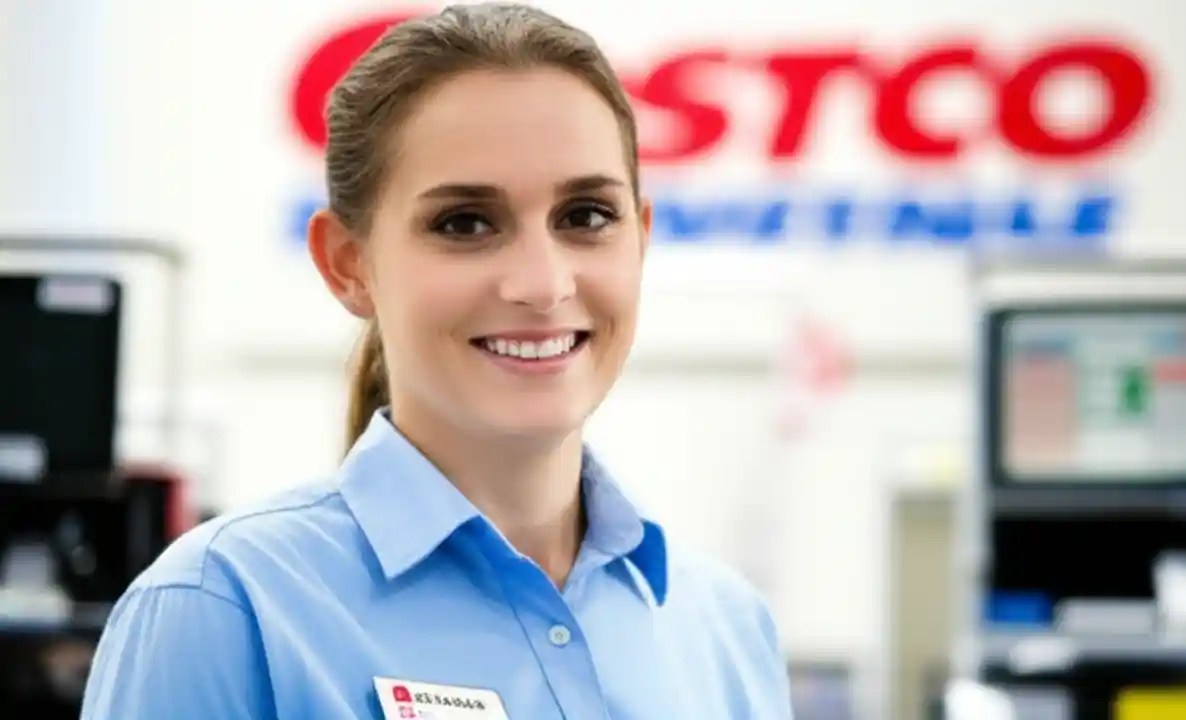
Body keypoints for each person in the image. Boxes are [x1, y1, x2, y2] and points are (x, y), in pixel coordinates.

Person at [81, 4, 793, 718]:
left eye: (585, 217)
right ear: (348, 264)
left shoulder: (725, 631)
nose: (543, 285)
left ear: (639, 236)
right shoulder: (228, 611)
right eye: (465, 223)